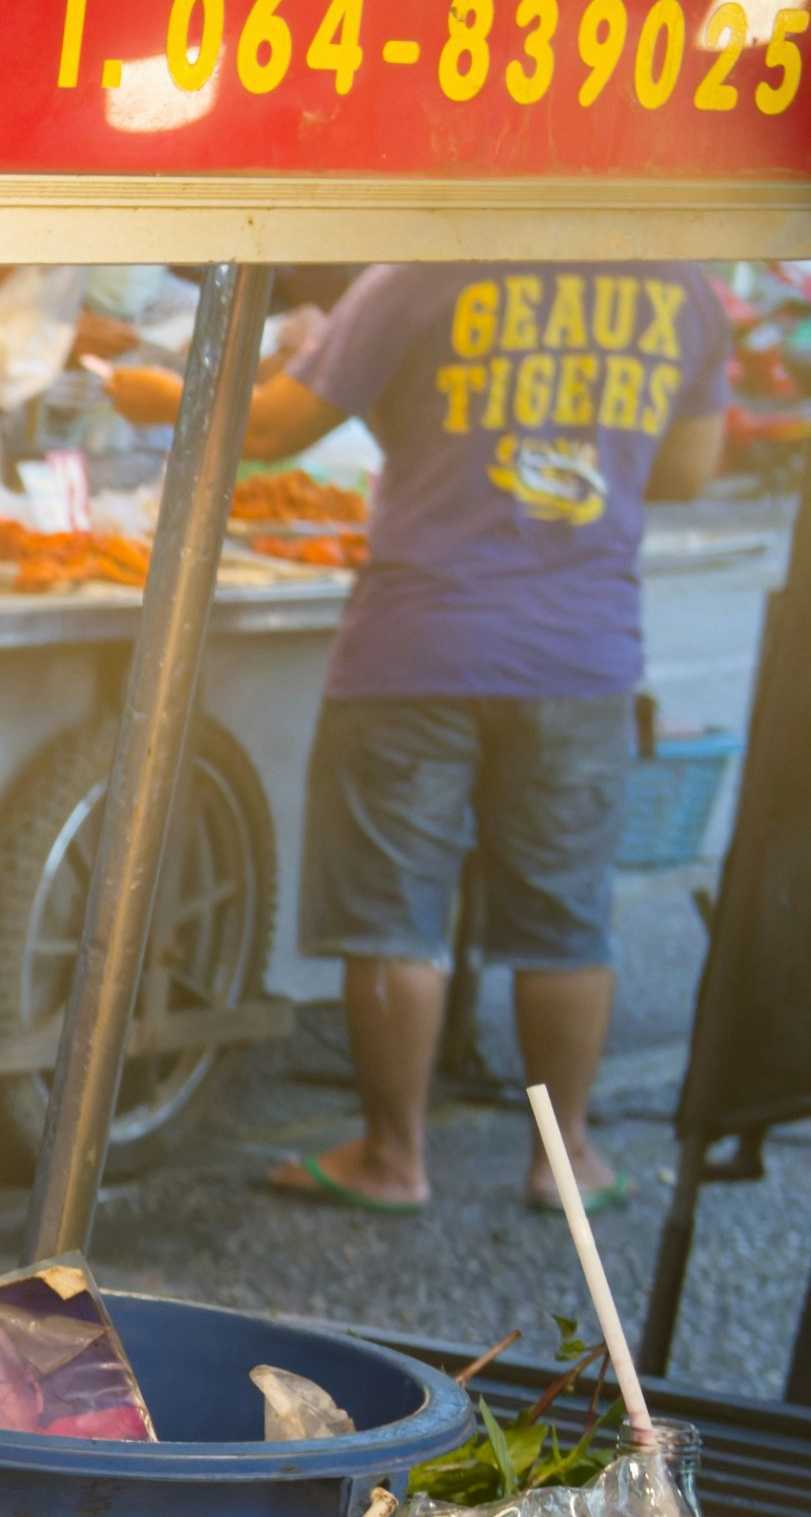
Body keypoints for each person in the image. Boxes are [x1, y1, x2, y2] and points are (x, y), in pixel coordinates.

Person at [247, 260, 731, 1210]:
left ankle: (392, 1158)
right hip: (581, 650)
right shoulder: (685, 285)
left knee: (393, 917)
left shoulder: (416, 273)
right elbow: (686, 468)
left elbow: (270, 430)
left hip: (419, 643)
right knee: (566, 922)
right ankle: (567, 1160)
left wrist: (154, 394)